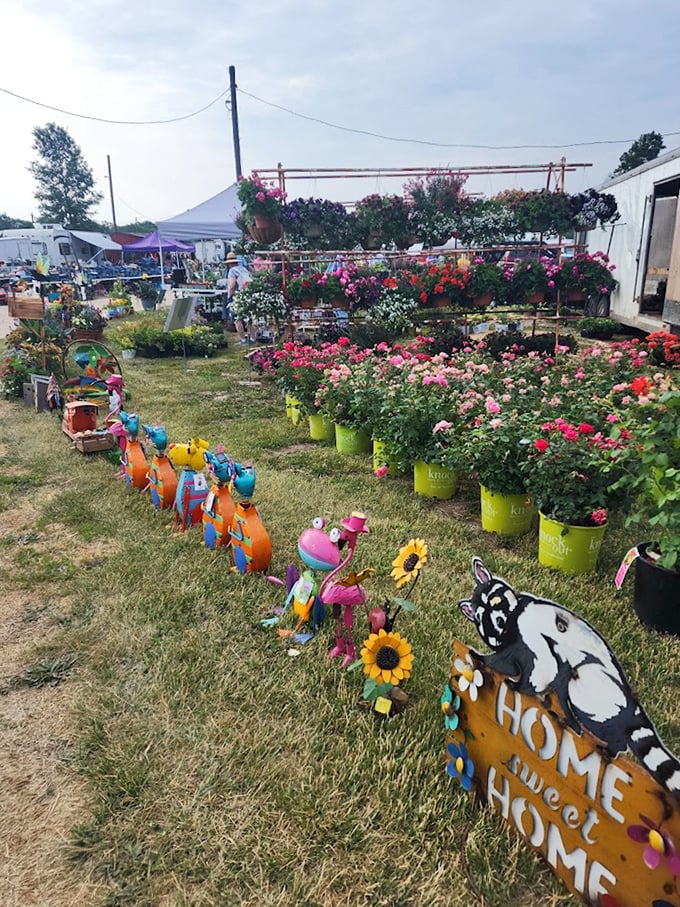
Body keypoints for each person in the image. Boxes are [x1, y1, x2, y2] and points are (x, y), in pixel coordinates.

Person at [224, 251, 254, 343]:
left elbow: (232, 285)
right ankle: (253, 338)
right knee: (249, 318)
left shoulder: (232, 271)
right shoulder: (244, 269)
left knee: (237, 318)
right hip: (246, 295)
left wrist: (229, 296)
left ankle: (243, 339)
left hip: (237, 296)